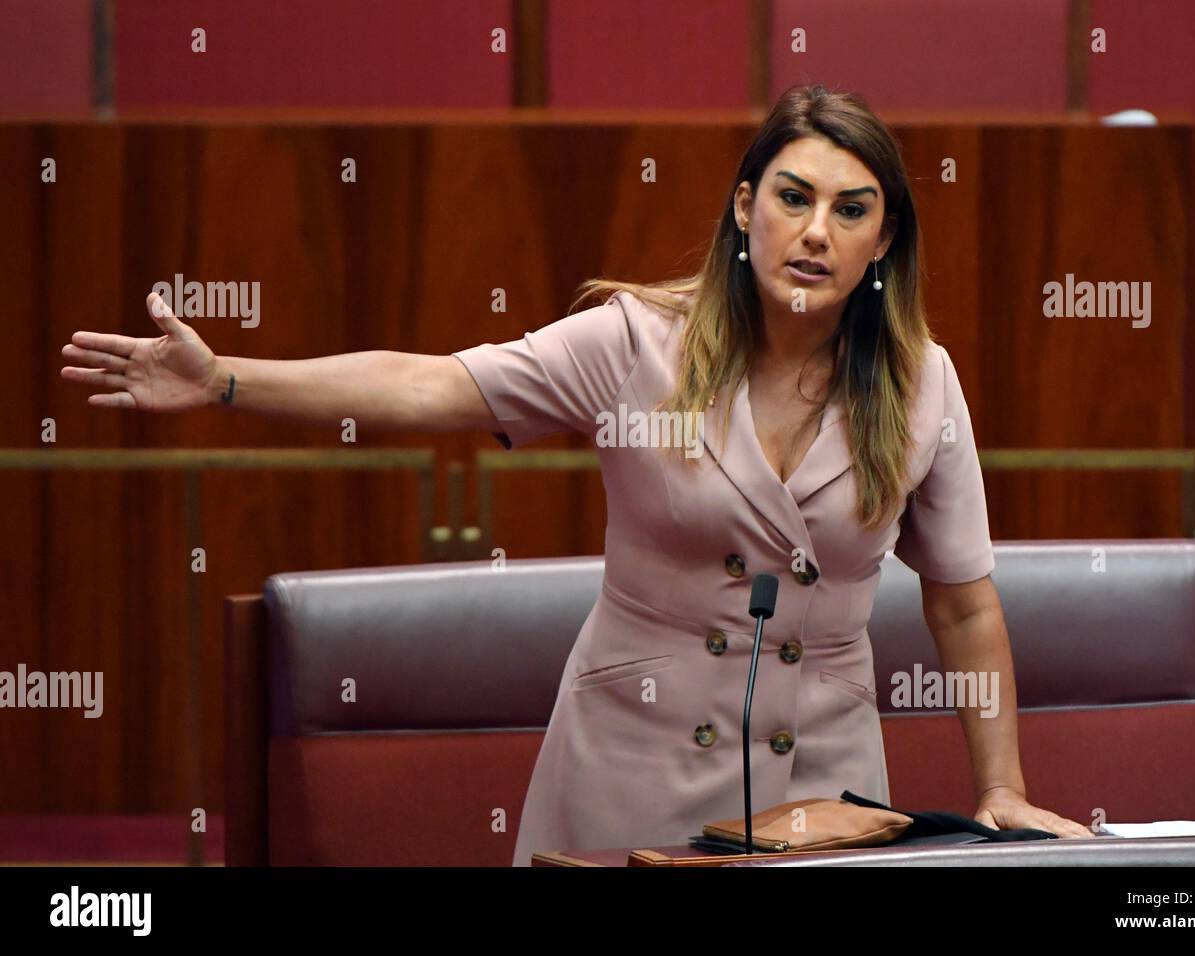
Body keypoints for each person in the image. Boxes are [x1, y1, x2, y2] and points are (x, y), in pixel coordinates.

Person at [60, 84, 1094, 866]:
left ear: (883, 243)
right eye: (792, 196)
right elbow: (432, 385)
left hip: (822, 781)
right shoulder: (633, 343)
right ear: (745, 209)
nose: (816, 229)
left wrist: (999, 783)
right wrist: (229, 376)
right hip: (630, 757)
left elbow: (961, 601)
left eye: (851, 208)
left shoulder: (920, 385)